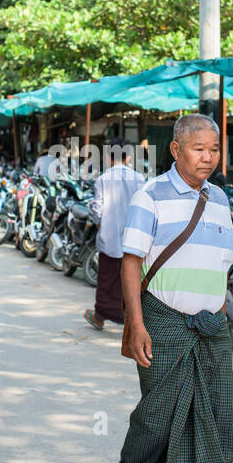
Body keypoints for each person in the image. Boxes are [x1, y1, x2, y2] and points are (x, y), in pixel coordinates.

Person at [102, 114, 233, 463]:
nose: (207, 158)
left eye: (214, 150)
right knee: (157, 417)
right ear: (176, 150)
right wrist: (137, 324)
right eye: (198, 149)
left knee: (220, 418)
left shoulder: (221, 198)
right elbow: (131, 262)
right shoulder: (149, 197)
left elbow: (222, 260)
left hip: (210, 326)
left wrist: (219, 305)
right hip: (163, 320)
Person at [84, 138, 145, 330]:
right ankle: (132, 319)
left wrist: (99, 223)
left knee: (107, 280)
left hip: (109, 238)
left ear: (109, 157)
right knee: (132, 282)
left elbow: (97, 210)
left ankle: (100, 317)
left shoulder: (103, 179)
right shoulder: (139, 179)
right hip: (134, 240)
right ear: (128, 157)